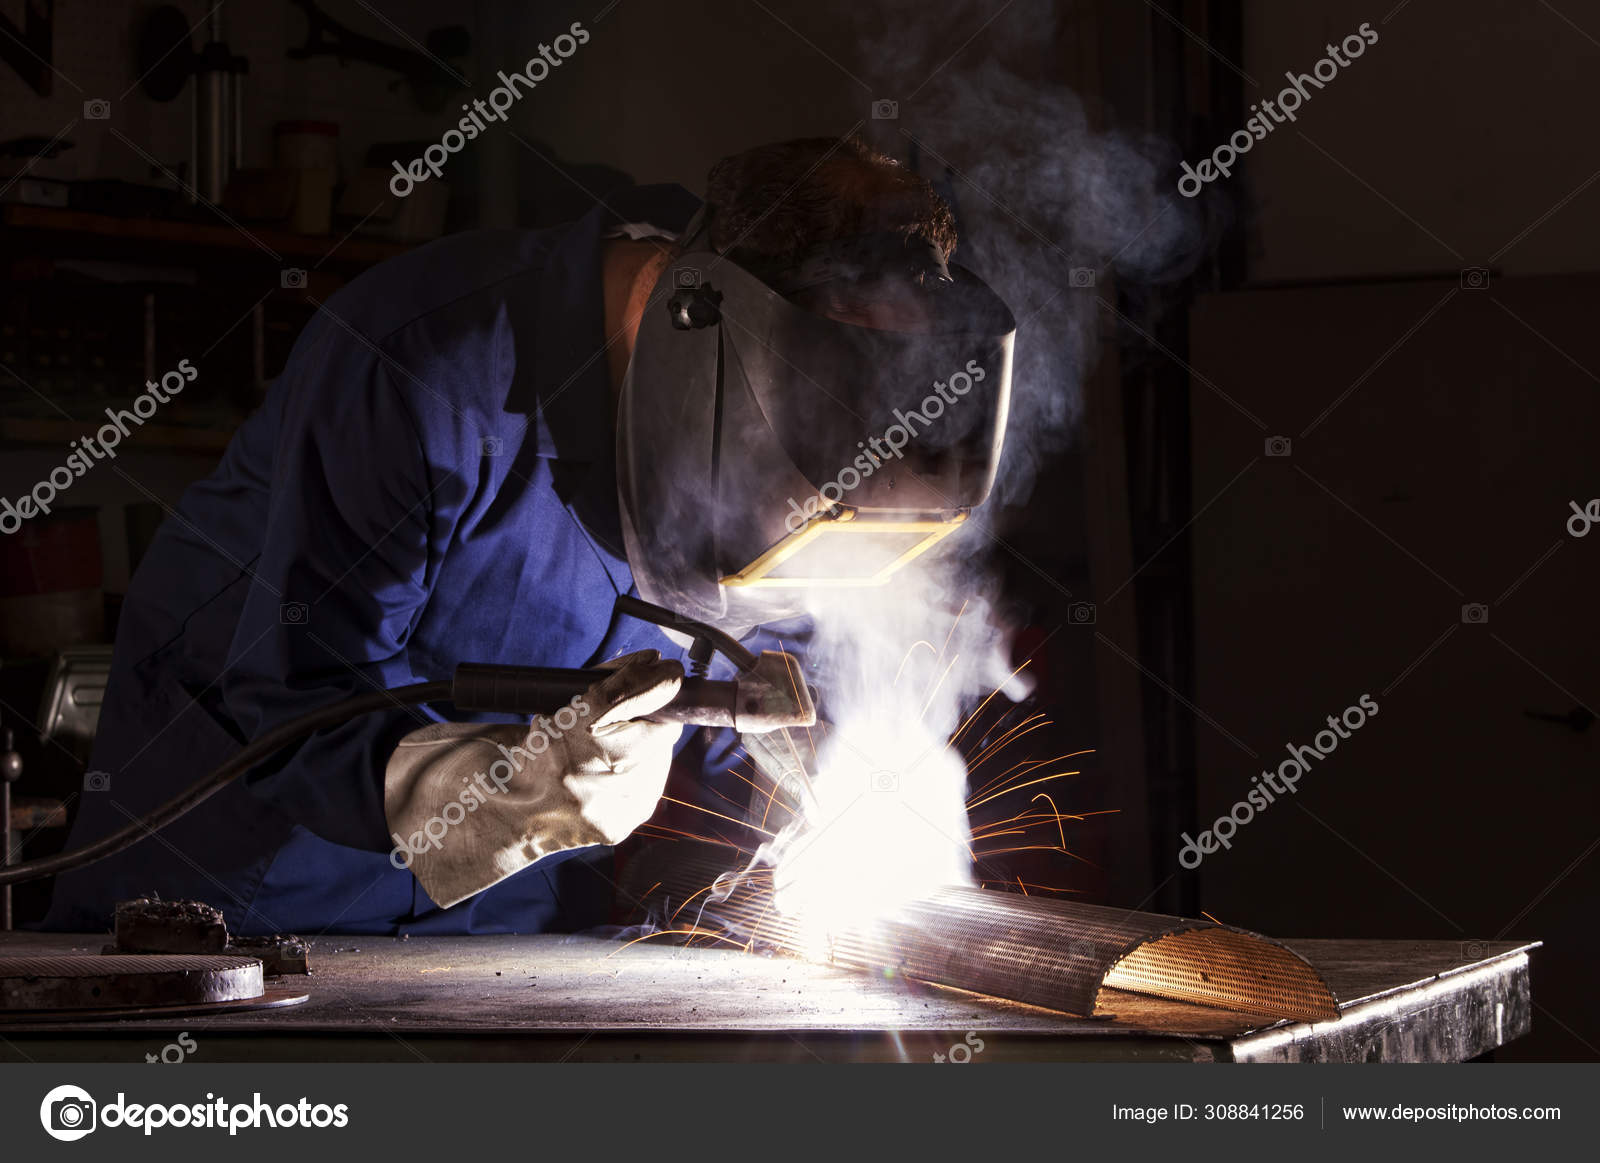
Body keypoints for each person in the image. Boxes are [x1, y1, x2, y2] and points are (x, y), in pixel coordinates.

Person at [43, 137, 1001, 936]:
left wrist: (812, 776)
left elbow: (753, 677)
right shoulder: (428, 362)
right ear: (693, 326)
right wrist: (515, 792)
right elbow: (292, 712)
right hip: (237, 899)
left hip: (501, 931)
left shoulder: (771, 426)